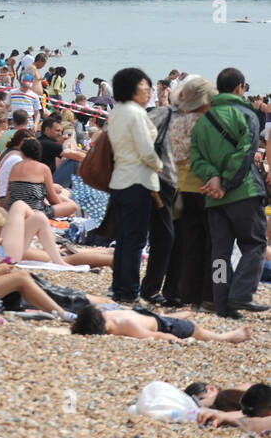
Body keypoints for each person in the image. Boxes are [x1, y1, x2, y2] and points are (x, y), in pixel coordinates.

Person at [188, 67, 270, 318]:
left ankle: (221, 302)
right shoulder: (246, 114)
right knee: (254, 244)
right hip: (241, 191)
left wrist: (212, 178)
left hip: (213, 197)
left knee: (220, 251)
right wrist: (224, 182)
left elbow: (196, 159)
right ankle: (241, 294)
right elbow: (246, 153)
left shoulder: (203, 121)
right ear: (239, 88)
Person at [105, 67, 163, 304]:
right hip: (137, 180)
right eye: (144, 88)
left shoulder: (117, 111)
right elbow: (146, 150)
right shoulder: (135, 113)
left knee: (125, 237)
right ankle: (128, 290)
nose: (148, 93)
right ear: (131, 89)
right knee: (135, 239)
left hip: (120, 179)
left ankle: (120, 287)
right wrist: (161, 167)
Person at [160, 76, 216, 308]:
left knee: (181, 242)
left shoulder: (177, 122)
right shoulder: (207, 123)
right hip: (203, 187)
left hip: (179, 187)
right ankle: (204, 294)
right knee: (208, 243)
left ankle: (175, 290)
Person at [70, 304, 251, 343]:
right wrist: (173, 338)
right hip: (162, 325)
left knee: (148, 315)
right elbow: (152, 335)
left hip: (142, 314)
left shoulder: (111, 315)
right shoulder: (123, 324)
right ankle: (225, 337)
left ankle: (173, 315)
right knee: (194, 328)